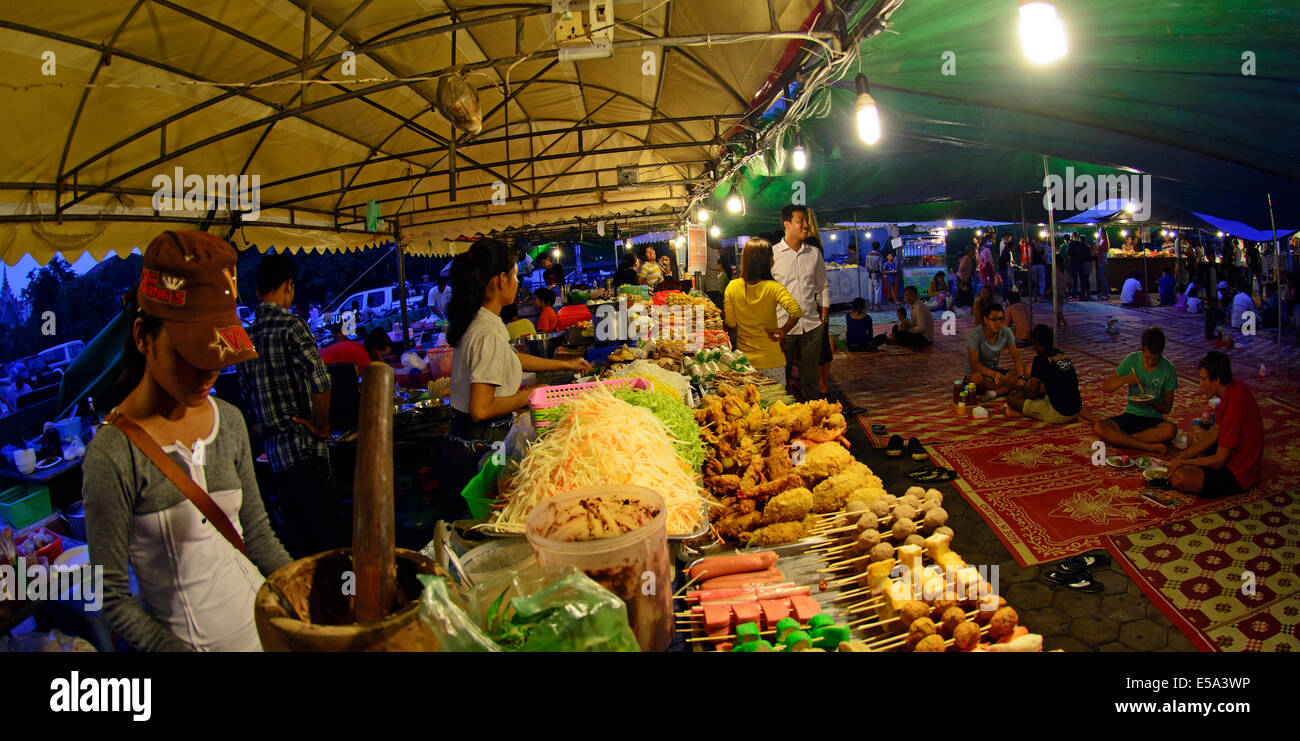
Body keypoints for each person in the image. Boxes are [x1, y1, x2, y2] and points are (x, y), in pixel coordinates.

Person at [85, 230, 291, 651]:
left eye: (218, 356)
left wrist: (305, 593)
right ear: (143, 336)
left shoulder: (229, 421)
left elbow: (258, 535)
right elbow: (112, 598)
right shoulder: (113, 454)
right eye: (189, 355)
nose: (207, 373)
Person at [444, 239, 590, 499]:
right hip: (480, 446)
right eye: (513, 275)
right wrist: (533, 394)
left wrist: (565, 363)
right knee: (487, 514)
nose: (517, 282)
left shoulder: (485, 320)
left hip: (474, 439)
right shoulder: (486, 331)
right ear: (500, 279)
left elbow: (513, 359)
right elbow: (481, 408)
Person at [239, 251, 348, 559]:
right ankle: (346, 598)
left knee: (300, 545)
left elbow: (247, 396)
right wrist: (321, 426)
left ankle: (309, 605)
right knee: (335, 542)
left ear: (259, 291)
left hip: (275, 459)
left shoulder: (245, 337)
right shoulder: (291, 325)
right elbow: (321, 380)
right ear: (288, 285)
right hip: (304, 451)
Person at [1166, 352, 1262, 497]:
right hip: (1228, 457)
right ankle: (1197, 467)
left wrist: (1184, 462)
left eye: (1204, 379)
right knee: (1195, 435)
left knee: (1180, 478)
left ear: (1217, 380)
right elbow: (1213, 433)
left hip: (1238, 474)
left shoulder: (1235, 405)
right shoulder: (1230, 390)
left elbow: (1219, 461)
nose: (1200, 384)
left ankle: (1198, 472)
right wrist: (1181, 457)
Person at [724, 238, 803, 383]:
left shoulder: (732, 286)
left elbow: (731, 323)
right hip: (772, 361)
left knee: (750, 403)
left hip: (744, 363)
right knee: (777, 403)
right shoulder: (774, 287)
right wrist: (783, 330)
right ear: (769, 261)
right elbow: (796, 311)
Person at [772, 204, 829, 402]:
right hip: (783, 328)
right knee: (781, 379)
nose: (806, 225)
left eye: (806, 221)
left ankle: (813, 417)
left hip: (811, 325)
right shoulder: (772, 255)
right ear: (787, 224)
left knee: (810, 379)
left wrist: (823, 318)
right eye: (801, 221)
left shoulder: (814, 253)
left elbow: (823, 287)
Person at [1093, 327, 1178, 454]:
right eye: (1147, 357)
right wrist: (1124, 380)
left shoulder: (1168, 369)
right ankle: (1146, 446)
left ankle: (1122, 440)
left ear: (1161, 353)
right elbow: (1106, 387)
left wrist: (1151, 402)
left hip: (1153, 420)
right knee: (1099, 426)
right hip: (1131, 415)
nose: (1150, 362)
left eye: (1155, 359)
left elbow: (1167, 408)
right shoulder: (1132, 359)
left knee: (1170, 430)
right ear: (1142, 349)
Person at [1005, 324, 1081, 424]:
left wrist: (1022, 390)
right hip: (1077, 409)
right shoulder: (1062, 354)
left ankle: (1024, 413)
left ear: (1036, 343)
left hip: (1060, 414)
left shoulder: (1040, 360)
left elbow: (1032, 395)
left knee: (1011, 398)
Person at [964, 302, 1025, 398]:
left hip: (996, 373)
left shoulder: (1006, 331)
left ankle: (995, 393)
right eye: (994, 320)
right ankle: (1004, 388)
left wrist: (1021, 378)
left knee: (1027, 370)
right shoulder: (975, 335)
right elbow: (974, 365)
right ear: (986, 320)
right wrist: (993, 374)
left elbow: (1017, 358)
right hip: (981, 374)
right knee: (977, 379)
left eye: (1000, 319)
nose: (998, 323)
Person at [319, 327, 392, 377]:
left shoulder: (359, 346)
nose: (382, 359)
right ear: (375, 347)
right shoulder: (363, 358)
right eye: (382, 355)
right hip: (316, 369)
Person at [1069, 235, 1092, 300]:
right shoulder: (1082, 245)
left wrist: (1070, 264)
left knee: (1075, 280)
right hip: (1081, 263)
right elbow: (1086, 254)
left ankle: (1074, 295)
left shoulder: (1071, 244)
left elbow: (1069, 255)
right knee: (1082, 280)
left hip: (1074, 263)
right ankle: (1082, 295)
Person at [864, 242, 884, 311]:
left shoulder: (868, 255)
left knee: (870, 290)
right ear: (879, 247)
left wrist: (868, 272)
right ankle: (877, 306)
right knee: (877, 290)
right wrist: (882, 274)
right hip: (877, 274)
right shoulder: (879, 255)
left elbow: (866, 265)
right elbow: (881, 267)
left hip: (869, 274)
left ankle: (871, 306)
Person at [998, 234, 1015, 300]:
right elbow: (1007, 264)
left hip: (1002, 268)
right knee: (1005, 284)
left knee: (1005, 283)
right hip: (1003, 269)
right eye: (1012, 247)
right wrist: (1011, 272)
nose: (1013, 249)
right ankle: (1006, 297)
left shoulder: (1004, 251)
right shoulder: (1006, 253)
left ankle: (1005, 297)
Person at [1094, 231, 1110, 300]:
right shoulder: (1102, 241)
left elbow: (1099, 249)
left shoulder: (1104, 241)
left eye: (1100, 233)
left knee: (1102, 276)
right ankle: (1103, 292)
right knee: (1101, 276)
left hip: (1102, 261)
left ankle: (1106, 292)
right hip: (1100, 260)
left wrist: (1097, 243)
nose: (1099, 234)